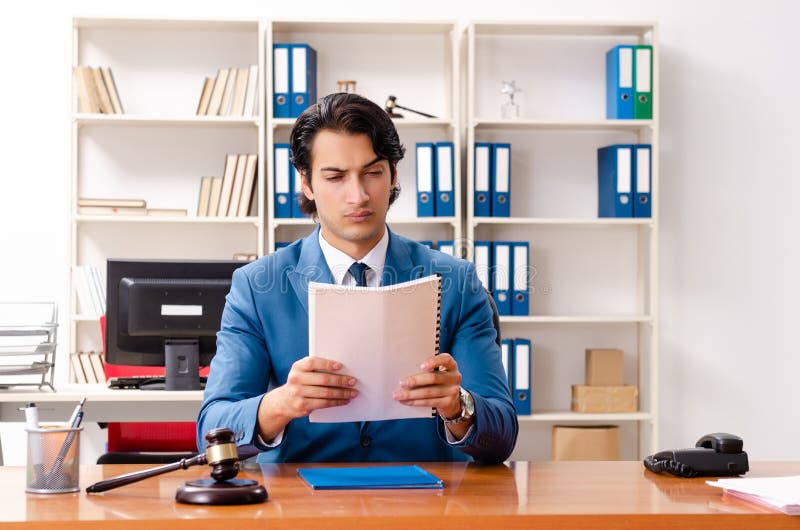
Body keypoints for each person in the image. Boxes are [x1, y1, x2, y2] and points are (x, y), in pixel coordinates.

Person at [197, 93, 518, 463]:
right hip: (300, 510)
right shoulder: (256, 287)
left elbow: (503, 435)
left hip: (428, 507)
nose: (358, 195)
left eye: (373, 173)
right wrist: (281, 403)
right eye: (335, 177)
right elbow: (210, 432)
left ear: (394, 175)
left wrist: (458, 407)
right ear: (307, 183)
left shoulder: (457, 282)